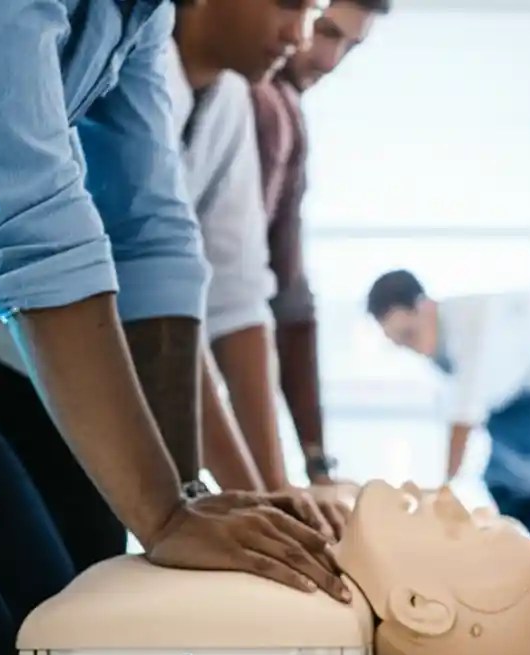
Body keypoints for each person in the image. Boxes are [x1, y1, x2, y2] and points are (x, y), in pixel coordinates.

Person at [0, 1, 348, 655]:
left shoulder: (141, 17)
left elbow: (151, 234)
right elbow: (33, 222)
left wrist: (189, 502)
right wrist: (165, 517)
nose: (304, 34)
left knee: (60, 591)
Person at [166, 0, 349, 540]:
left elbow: (238, 297)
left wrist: (274, 487)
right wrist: (251, 494)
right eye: (289, 5)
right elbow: (152, 297)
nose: (300, 37)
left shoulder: (230, 102)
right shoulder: (133, 72)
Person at [366, 270, 530, 552]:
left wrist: (442, 494)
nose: (411, 348)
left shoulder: (470, 326)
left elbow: (463, 420)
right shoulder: (442, 338)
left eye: (409, 335)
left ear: (425, 307)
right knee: (498, 481)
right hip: (517, 401)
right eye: (400, 343)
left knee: (522, 468)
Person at [250, 0, 392, 486]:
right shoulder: (262, 104)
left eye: (349, 46)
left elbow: (288, 294)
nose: (331, 61)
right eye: (326, 31)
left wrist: (315, 465)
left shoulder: (284, 112)